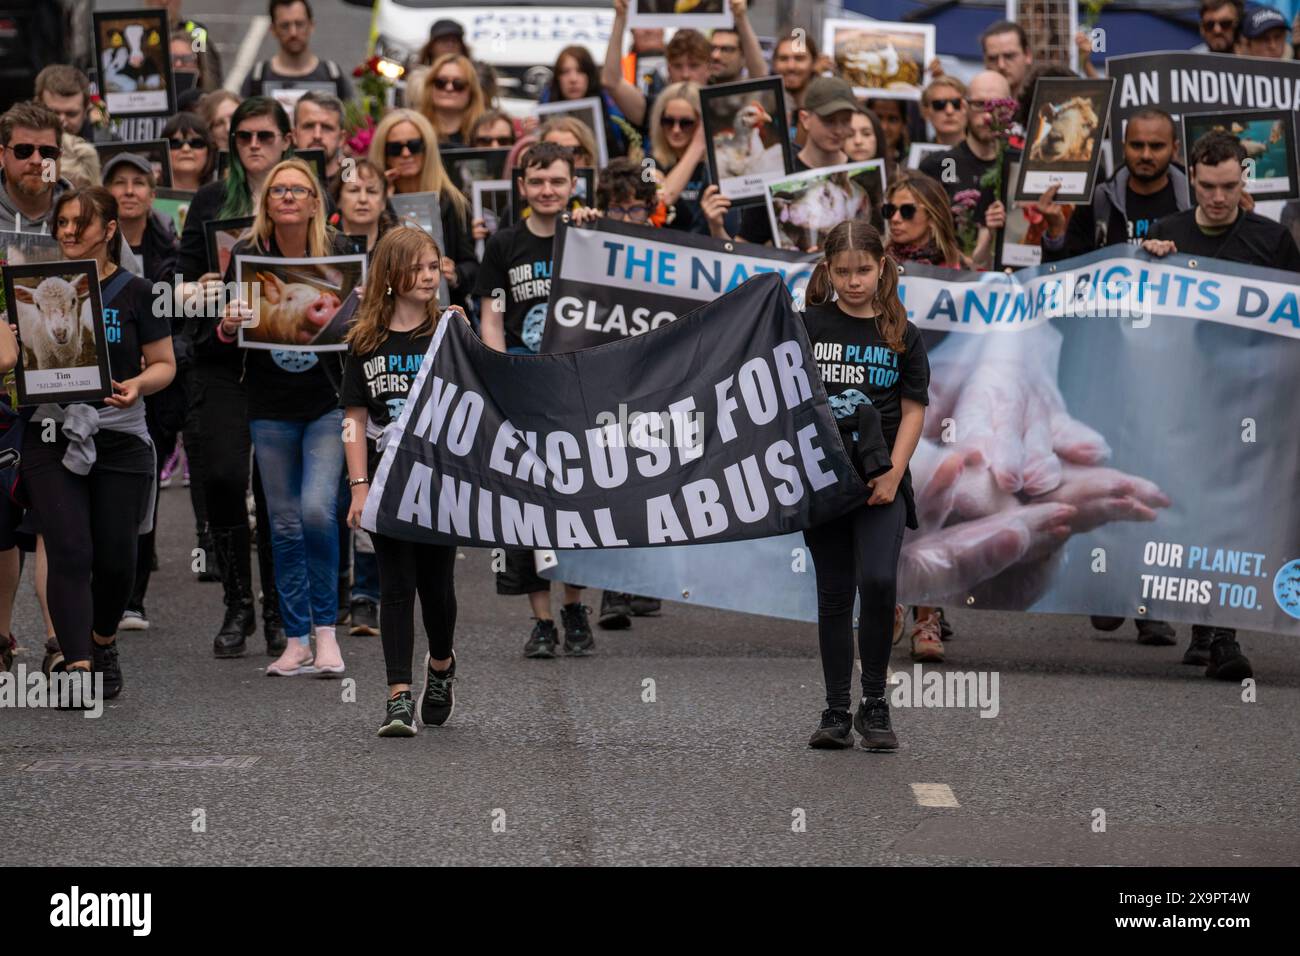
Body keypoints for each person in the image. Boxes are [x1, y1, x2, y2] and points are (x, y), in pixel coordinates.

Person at [1141, 130, 1300, 680]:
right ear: (1194, 183)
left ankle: (1222, 634)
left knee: (1235, 514)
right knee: (1192, 511)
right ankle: (1200, 624)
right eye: (1207, 186)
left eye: (1229, 185)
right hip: (1185, 397)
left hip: (1251, 399)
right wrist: (1149, 260)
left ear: (1243, 180)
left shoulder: (1271, 239)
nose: (1217, 197)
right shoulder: (1168, 234)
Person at [11, 187, 176, 704]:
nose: (67, 232)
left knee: (116, 559)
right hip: (50, 431)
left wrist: (139, 386)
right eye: (61, 223)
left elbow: (165, 364)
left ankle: (103, 641)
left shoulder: (137, 291)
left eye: (80, 223)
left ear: (108, 230)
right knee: (69, 547)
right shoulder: (31, 287)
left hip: (120, 433)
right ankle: (77, 663)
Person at [216, 158, 351, 678]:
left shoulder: (339, 252)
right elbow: (228, 337)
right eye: (279, 191)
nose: (289, 197)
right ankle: (295, 640)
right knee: (284, 520)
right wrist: (229, 324)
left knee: (318, 510)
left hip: (327, 400)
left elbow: (363, 323)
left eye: (299, 189)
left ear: (316, 201)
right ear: (267, 203)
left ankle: (327, 634)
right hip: (269, 404)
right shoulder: (248, 255)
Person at [801, 219, 929, 750]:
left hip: (882, 481)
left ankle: (874, 704)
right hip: (827, 482)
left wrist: (895, 472)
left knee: (878, 581)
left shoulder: (902, 332)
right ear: (828, 270)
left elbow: (914, 409)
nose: (854, 282)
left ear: (883, 267)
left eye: (864, 270)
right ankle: (835, 710)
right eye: (843, 271)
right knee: (835, 593)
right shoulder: (807, 325)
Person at [177, 97, 293, 658]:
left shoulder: (300, 199)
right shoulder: (208, 201)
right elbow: (175, 283)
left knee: (275, 491)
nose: (253, 145)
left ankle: (276, 609)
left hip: (281, 362)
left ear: (285, 141)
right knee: (223, 477)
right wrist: (197, 289)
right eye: (243, 136)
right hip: (221, 361)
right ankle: (237, 602)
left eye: (265, 136)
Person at [473, 141, 594, 657]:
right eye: (538, 182)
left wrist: (595, 227)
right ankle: (541, 620)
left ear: (573, 186)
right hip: (523, 385)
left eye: (558, 182)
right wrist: (499, 372)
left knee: (578, 500)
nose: (548, 191)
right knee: (525, 504)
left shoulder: (588, 236)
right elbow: (492, 313)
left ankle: (574, 605)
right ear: (522, 188)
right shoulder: (504, 245)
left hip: (579, 386)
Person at [342, 227, 462, 735]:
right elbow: (352, 418)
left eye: (433, 266)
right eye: (417, 267)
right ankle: (397, 697)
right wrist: (358, 485)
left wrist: (466, 333)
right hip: (388, 477)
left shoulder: (450, 331)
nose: (428, 276)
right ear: (391, 275)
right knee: (396, 586)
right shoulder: (364, 340)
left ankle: (441, 666)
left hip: (440, 478)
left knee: (436, 588)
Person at [1039, 108, 1188, 262]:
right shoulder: (1098, 201)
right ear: (1124, 147)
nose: (1146, 155)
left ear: (1174, 149)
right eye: (1137, 146)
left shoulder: (1193, 201)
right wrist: (1055, 231)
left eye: (1156, 146)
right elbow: (1068, 277)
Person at [367, 109, 477, 311]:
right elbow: (367, 261)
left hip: (444, 312)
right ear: (383, 154)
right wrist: (381, 203)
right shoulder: (372, 203)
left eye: (414, 145)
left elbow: (473, 265)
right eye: (395, 148)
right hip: (390, 314)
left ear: (428, 149)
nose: (406, 154)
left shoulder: (452, 201)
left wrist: (456, 274)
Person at [733, 76, 861, 248]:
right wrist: (716, 225)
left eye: (845, 120)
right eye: (829, 120)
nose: (838, 130)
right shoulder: (776, 174)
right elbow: (744, 246)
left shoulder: (861, 177)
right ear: (805, 119)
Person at [919, 71, 1017, 263]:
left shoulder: (1019, 166)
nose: (988, 115)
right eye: (979, 104)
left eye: (997, 106)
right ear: (964, 106)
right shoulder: (941, 164)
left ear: (1010, 109)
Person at [602, 3, 711, 130]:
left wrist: (739, 19)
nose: (685, 74)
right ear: (668, 69)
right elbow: (611, 82)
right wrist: (620, 18)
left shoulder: (721, 106)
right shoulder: (655, 108)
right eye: (677, 66)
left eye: (694, 66)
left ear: (709, 69)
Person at [241, 0, 353, 102]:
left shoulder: (333, 76)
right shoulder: (257, 78)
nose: (293, 32)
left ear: (311, 26)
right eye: (285, 26)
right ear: (273, 30)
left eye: (299, 24)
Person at [538, 45, 631, 160]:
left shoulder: (612, 110)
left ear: (590, 76)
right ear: (558, 78)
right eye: (565, 72)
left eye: (580, 71)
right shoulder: (545, 107)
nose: (573, 79)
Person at [0, 101, 73, 233]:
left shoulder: (89, 215)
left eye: (48, 152)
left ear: (59, 157)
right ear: (2, 155)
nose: (36, 160)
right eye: (23, 150)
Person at [34, 65, 118, 144]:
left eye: (71, 114)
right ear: (38, 106)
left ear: (86, 109)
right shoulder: (22, 141)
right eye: (52, 112)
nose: (62, 122)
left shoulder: (104, 140)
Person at [418, 53, 484, 147]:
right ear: (430, 87)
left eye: (458, 84)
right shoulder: (414, 131)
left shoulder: (486, 136)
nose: (449, 88)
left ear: (472, 91)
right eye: (441, 82)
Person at [333, 157, 397, 253]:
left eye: (371, 191)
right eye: (354, 190)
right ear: (338, 199)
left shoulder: (398, 248)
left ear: (383, 202)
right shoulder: (322, 246)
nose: (363, 199)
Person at [292, 90, 345, 195]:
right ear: (294, 135)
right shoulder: (278, 180)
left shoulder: (352, 178)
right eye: (309, 126)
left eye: (327, 127)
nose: (317, 135)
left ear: (342, 138)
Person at [706, 1, 767, 85]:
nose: (715, 56)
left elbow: (761, 77)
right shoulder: (697, 88)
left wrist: (740, 17)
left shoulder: (749, 92)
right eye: (712, 48)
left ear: (743, 57)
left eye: (726, 49)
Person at [162, 111, 218, 192]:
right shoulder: (146, 195)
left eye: (196, 143)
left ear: (209, 151)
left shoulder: (225, 195)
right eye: (175, 143)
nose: (186, 149)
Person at [980, 19, 1033, 101]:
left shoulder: (1044, 99)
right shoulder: (976, 106)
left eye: (1009, 56)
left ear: (1027, 55)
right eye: (993, 59)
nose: (1001, 65)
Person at [920, 76, 968, 148]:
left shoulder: (987, 154)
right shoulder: (916, 158)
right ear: (926, 112)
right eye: (940, 104)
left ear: (967, 108)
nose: (949, 111)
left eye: (957, 103)